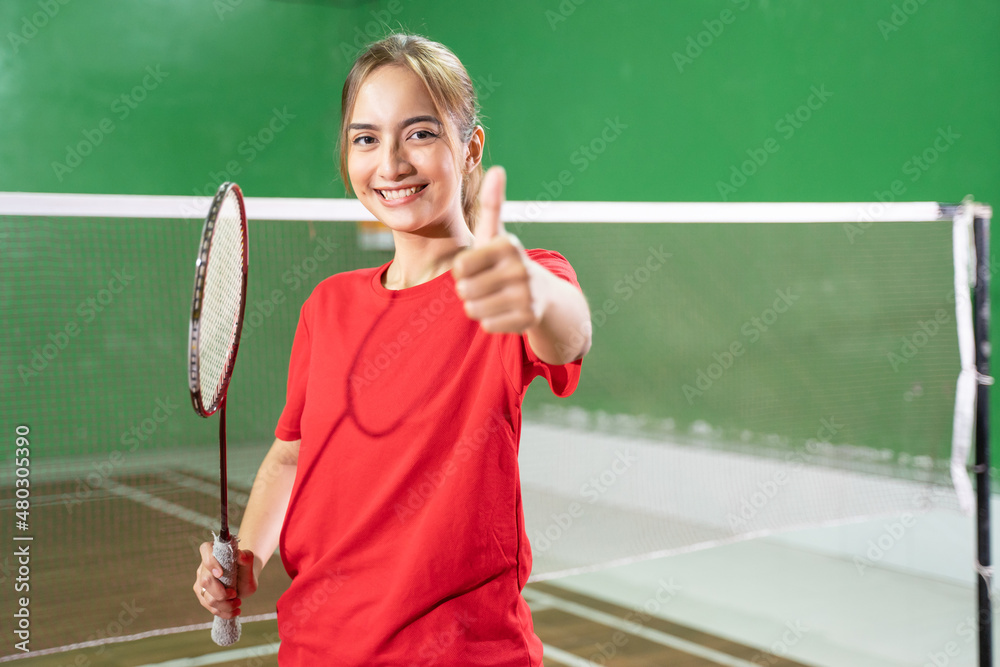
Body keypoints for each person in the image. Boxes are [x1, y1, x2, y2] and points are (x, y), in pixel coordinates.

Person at [194, 32, 592, 665]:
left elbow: (568, 332)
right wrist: (247, 556)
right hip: (316, 647)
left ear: (471, 148)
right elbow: (290, 458)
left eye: (422, 133)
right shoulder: (327, 305)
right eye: (366, 138)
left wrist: (534, 296)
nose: (392, 164)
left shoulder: (516, 279)